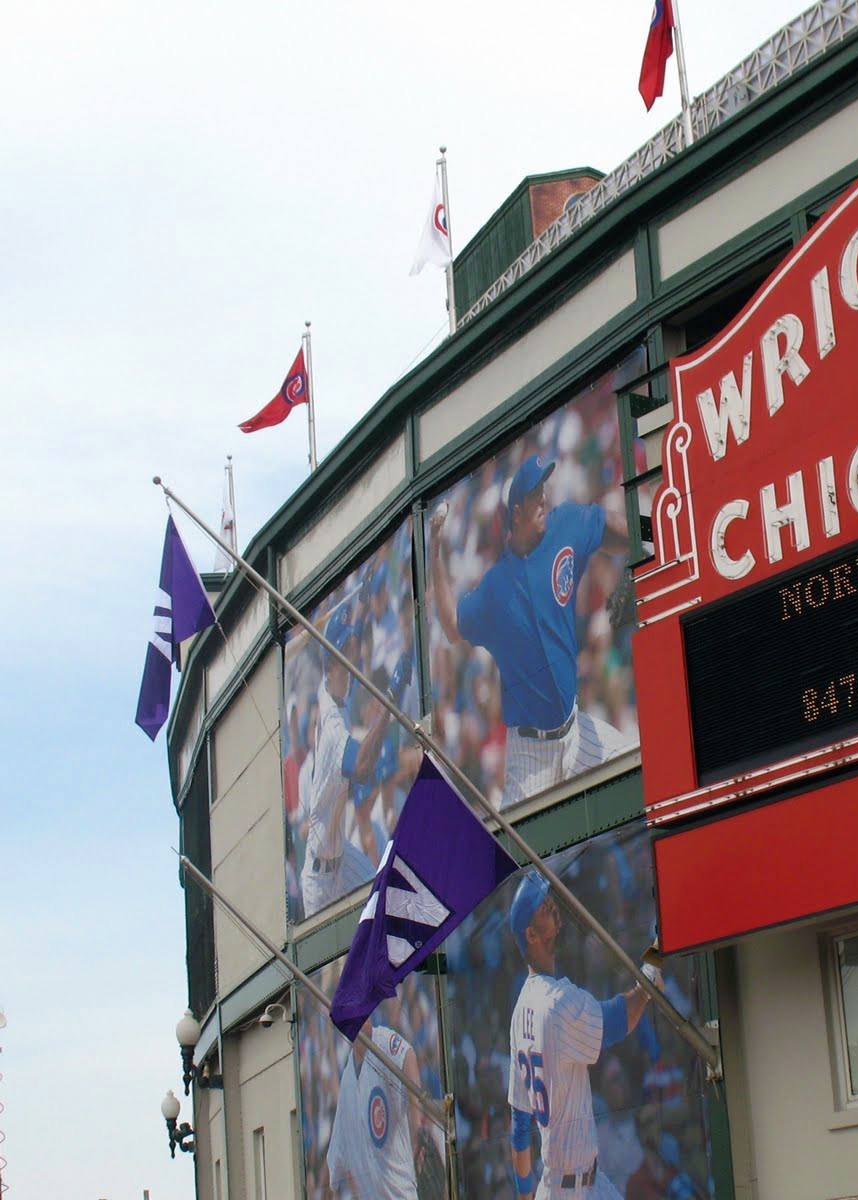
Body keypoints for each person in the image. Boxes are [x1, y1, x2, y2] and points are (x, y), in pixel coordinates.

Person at [429, 455, 633, 808]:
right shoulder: (495, 588)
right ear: (517, 513)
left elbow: (610, 526)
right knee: (523, 843)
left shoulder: (565, 524)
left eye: (543, 489)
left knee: (637, 772)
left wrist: (655, 533)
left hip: (576, 731)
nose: (544, 499)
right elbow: (451, 626)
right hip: (530, 755)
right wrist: (434, 553)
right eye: (535, 494)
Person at [505, 871, 657, 1200]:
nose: (555, 910)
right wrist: (653, 966)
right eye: (545, 908)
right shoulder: (556, 1001)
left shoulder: (520, 1012)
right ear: (531, 934)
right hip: (571, 1189)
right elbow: (618, 1020)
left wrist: (525, 1194)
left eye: (551, 903)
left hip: (578, 1183)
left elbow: (519, 1126)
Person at [299, 602, 391, 917]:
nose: (350, 663)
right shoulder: (332, 726)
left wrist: (362, 603)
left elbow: (352, 644)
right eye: (343, 657)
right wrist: (389, 705)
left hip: (343, 857)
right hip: (318, 879)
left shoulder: (333, 689)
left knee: (383, 899)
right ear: (329, 667)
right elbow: (362, 767)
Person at [326, 1020, 428, 1199]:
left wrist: (416, 1123)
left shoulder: (382, 1041)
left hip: (400, 1192)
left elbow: (407, 1055)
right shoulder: (347, 1079)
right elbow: (339, 1152)